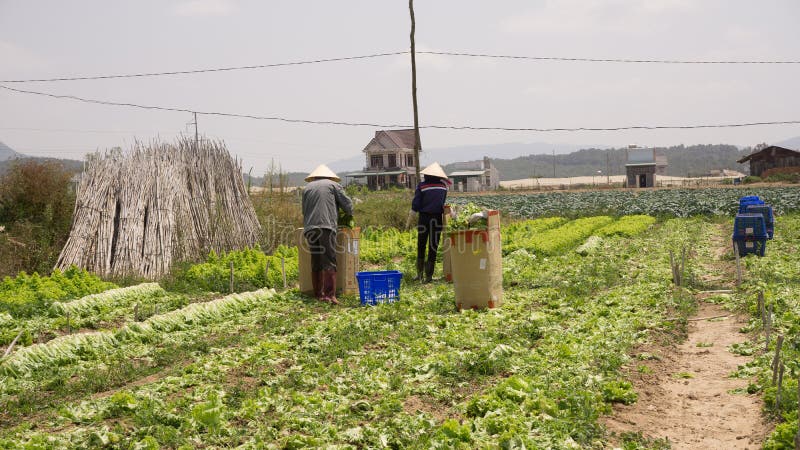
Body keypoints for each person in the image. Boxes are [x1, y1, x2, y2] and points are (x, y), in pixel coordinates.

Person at [302, 164, 353, 305]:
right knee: (329, 260)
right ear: (330, 176)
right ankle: (330, 295)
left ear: (315, 176)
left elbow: (304, 210)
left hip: (310, 228)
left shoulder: (307, 188)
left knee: (316, 260)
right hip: (326, 226)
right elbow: (348, 205)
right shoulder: (333, 185)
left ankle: (318, 294)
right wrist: (348, 215)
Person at [411, 162, 450, 282]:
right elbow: (442, 202)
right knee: (433, 246)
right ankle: (429, 276)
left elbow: (416, 204)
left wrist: (413, 210)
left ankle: (419, 274)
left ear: (427, 174)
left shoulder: (422, 186)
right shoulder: (443, 187)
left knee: (421, 245)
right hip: (437, 219)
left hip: (424, 218)